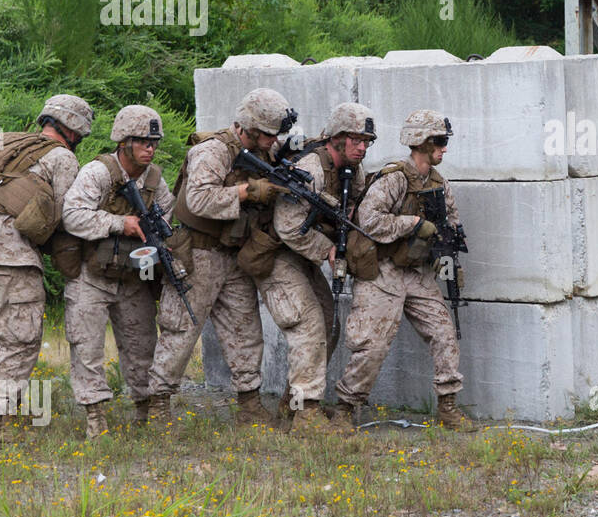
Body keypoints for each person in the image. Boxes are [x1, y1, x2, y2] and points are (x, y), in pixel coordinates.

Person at [144, 88, 292, 428]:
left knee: (246, 330)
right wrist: (247, 191)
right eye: (268, 134)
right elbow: (197, 199)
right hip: (198, 252)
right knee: (180, 329)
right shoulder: (213, 151)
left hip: (234, 253)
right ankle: (158, 406)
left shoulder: (265, 151)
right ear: (250, 129)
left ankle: (250, 404)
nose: (273, 141)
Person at [0, 94, 91, 443]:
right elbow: (68, 216)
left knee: (2, 339)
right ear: (75, 130)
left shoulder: (8, 146)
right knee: (21, 341)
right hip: (11, 255)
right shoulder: (61, 157)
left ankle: (6, 408)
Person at [335, 109, 475, 432]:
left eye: (444, 141)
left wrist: (450, 265)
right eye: (439, 141)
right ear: (421, 142)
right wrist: (412, 223)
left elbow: (450, 226)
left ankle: (448, 406)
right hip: (383, 269)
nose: (444, 149)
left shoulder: (440, 185)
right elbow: (368, 221)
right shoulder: (394, 178)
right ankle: (345, 407)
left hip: (416, 271)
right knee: (373, 344)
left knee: (444, 333)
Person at [263, 103, 375, 435]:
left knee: (329, 324)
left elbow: (356, 206)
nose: (362, 147)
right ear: (336, 138)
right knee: (309, 326)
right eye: (355, 140)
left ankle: (292, 403)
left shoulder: (353, 170)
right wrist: (326, 249)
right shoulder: (311, 168)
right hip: (277, 255)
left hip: (302, 258)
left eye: (367, 141)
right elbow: (287, 226)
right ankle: (306, 415)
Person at [62, 106, 174, 439]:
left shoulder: (154, 179)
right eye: (142, 141)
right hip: (91, 275)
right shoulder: (98, 172)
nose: (149, 148)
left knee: (142, 346)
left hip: (133, 276)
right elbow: (73, 215)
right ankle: (95, 415)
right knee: (86, 346)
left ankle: (144, 409)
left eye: (153, 141)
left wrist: (159, 232)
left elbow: (167, 215)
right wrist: (118, 223)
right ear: (123, 142)